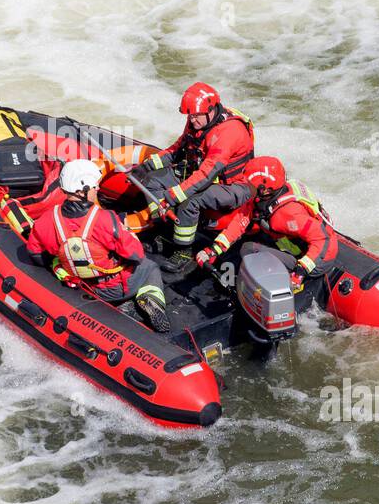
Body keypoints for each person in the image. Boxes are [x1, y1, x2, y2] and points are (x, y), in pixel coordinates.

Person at [25, 159, 173, 333]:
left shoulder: (45, 221)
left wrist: (63, 260)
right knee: (149, 266)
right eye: (94, 186)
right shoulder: (106, 220)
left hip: (84, 286)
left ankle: (127, 306)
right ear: (82, 190)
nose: (98, 189)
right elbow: (136, 254)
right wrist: (127, 233)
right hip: (115, 286)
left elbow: (35, 254)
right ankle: (151, 298)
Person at [135, 82, 255, 272]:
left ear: (211, 110)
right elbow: (178, 148)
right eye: (190, 115)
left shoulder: (230, 132)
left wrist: (174, 195)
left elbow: (207, 173)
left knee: (190, 199)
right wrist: (147, 166)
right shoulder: (197, 120)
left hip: (232, 186)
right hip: (200, 172)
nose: (192, 120)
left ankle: (184, 250)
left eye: (196, 115)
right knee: (151, 180)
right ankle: (163, 228)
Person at [195, 155, 338, 307]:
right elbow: (239, 223)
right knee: (252, 238)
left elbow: (323, 240)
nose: (246, 186)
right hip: (298, 242)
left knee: (249, 249)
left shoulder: (286, 215)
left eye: (250, 184)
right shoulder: (264, 199)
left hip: (317, 259)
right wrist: (213, 250)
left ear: (264, 190)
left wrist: (300, 272)